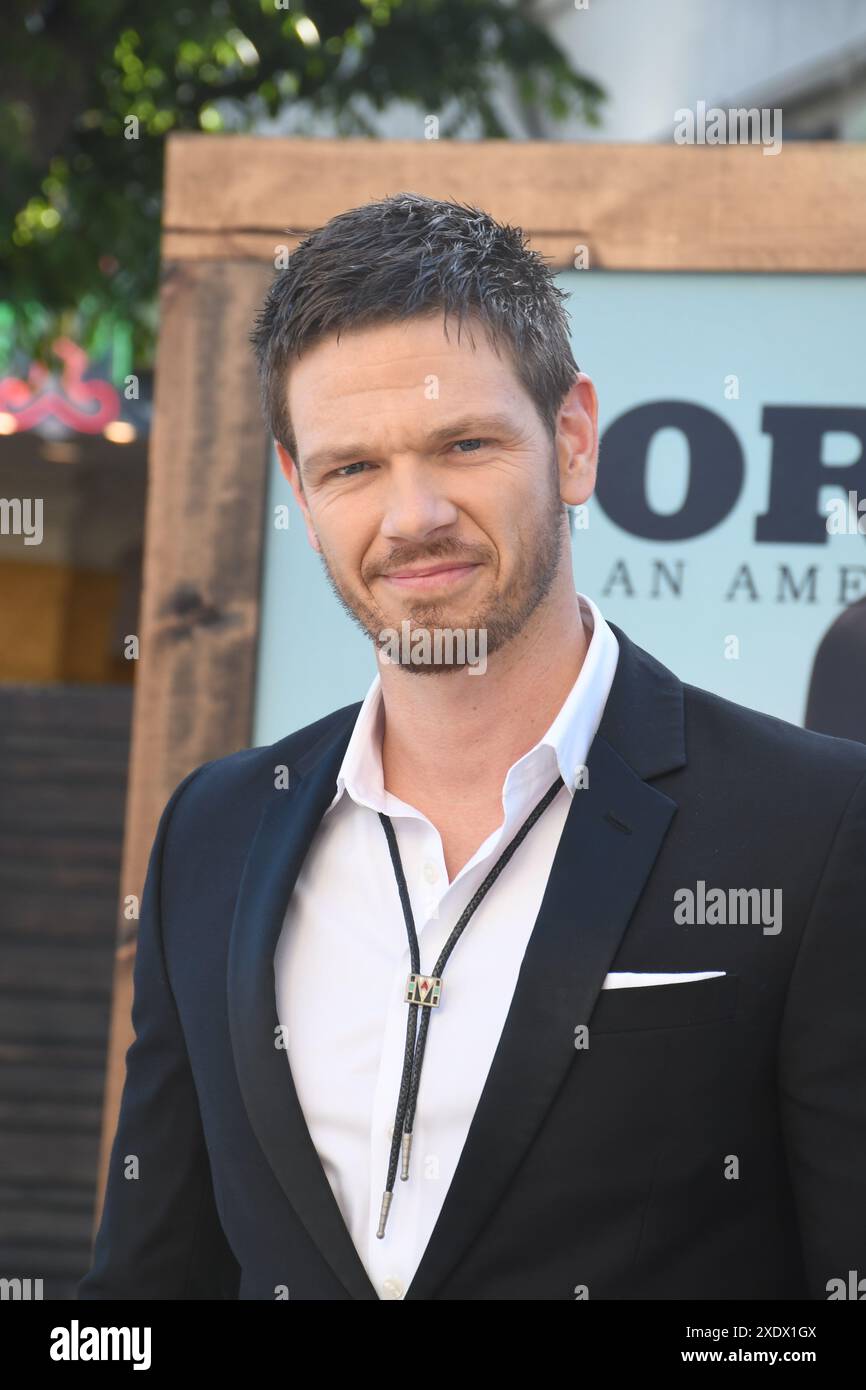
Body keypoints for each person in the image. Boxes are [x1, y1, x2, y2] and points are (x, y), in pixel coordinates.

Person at [79, 193, 866, 1301]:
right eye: (352, 467)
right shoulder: (213, 830)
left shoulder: (817, 825)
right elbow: (144, 1294)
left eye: (463, 443)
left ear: (573, 440)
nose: (411, 517)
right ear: (299, 491)